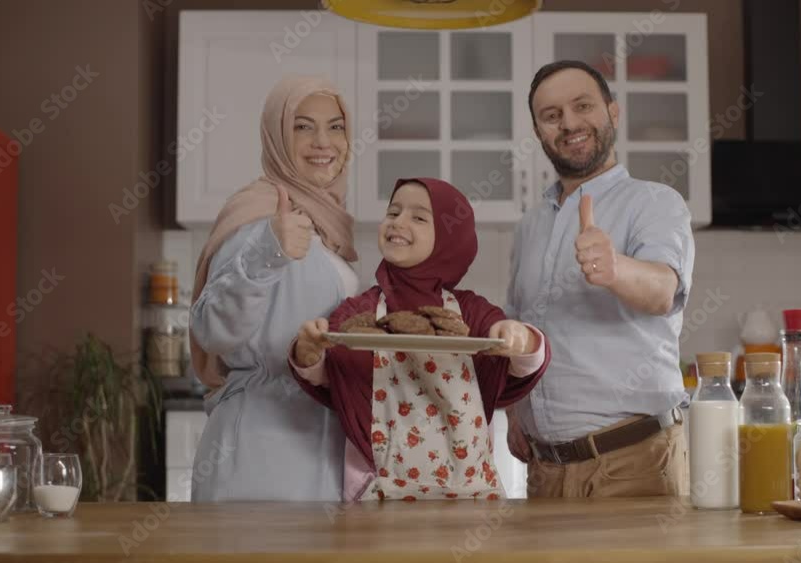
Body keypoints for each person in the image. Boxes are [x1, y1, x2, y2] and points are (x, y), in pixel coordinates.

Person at [290, 178, 551, 501]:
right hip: (377, 494)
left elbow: (524, 365)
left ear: (448, 238)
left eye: (418, 217)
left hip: (468, 499)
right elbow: (331, 377)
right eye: (393, 211)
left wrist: (520, 339)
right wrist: (309, 352)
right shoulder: (359, 312)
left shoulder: (471, 313)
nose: (397, 222)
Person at [504, 60, 695, 498]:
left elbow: (663, 291)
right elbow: (518, 330)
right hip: (545, 470)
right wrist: (514, 410)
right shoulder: (530, 224)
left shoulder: (656, 202)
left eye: (582, 106)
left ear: (613, 112)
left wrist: (616, 268)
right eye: (551, 116)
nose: (569, 123)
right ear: (539, 132)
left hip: (633, 462)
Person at [187, 75, 358, 501]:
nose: (324, 142)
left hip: (314, 448)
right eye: (303, 126)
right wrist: (269, 250)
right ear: (277, 137)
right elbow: (211, 329)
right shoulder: (258, 217)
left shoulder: (322, 223)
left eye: (335, 126)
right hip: (260, 456)